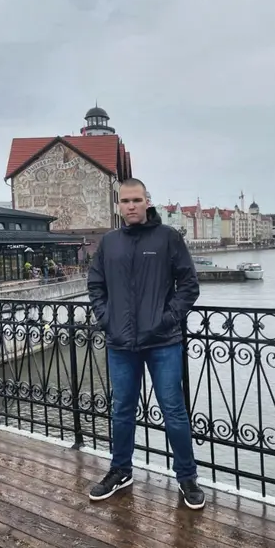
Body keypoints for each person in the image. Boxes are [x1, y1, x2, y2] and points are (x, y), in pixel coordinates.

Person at [87, 178, 205, 510]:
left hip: (163, 341)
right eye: (125, 201)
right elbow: (95, 284)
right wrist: (106, 318)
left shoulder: (167, 238)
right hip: (120, 342)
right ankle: (120, 471)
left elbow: (189, 284)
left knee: (174, 411)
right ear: (119, 205)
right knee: (122, 410)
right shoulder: (109, 242)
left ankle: (187, 477)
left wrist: (167, 318)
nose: (131, 206)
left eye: (137, 200)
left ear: (147, 202)